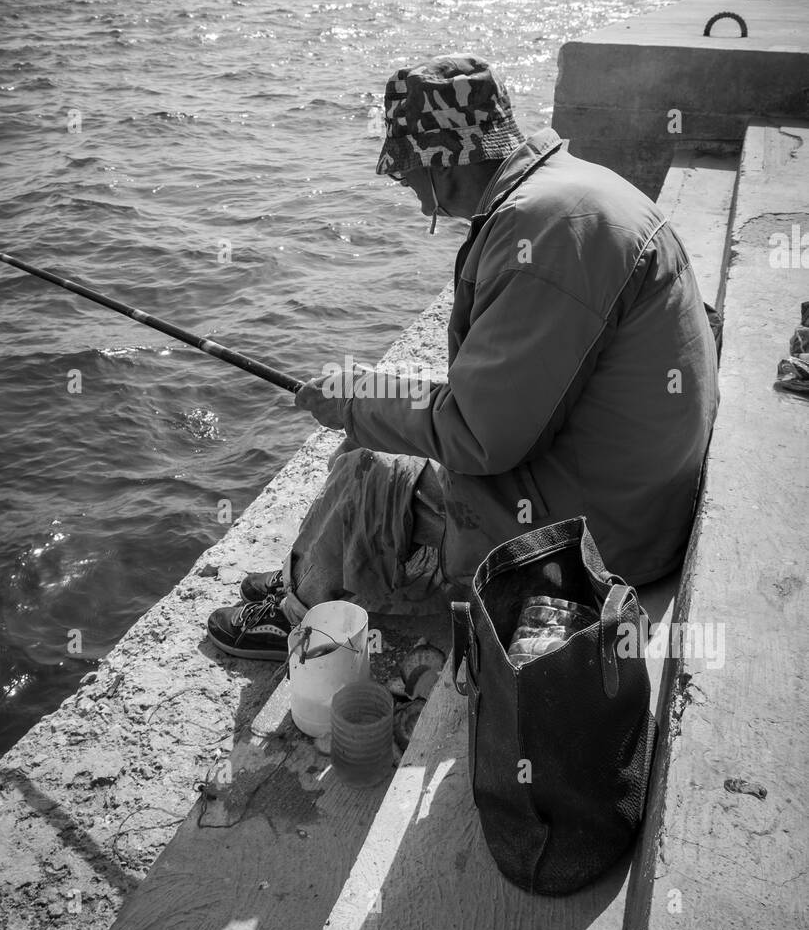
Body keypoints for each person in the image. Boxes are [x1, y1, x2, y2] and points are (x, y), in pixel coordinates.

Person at [207, 56, 719, 660]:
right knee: (384, 424)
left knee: (368, 470)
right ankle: (313, 570)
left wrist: (354, 400)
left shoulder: (543, 232)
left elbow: (481, 436)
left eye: (404, 168)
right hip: (637, 500)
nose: (402, 184)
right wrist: (374, 392)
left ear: (440, 162)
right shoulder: (566, 191)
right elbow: (507, 393)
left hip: (607, 543)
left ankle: (298, 616)